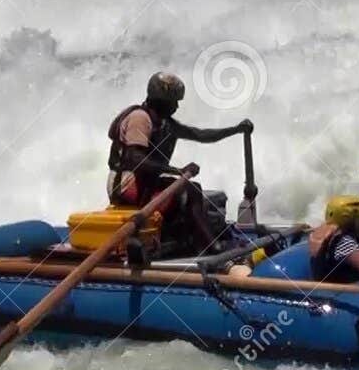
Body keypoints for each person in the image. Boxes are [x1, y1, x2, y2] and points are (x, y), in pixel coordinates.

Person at [106, 71, 252, 252]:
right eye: (173, 102)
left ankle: (190, 241)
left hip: (144, 182)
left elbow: (200, 134)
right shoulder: (140, 118)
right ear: (160, 100)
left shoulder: (165, 123)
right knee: (190, 191)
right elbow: (135, 158)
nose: (176, 106)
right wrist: (177, 171)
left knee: (194, 190)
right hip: (125, 184)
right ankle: (210, 246)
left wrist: (236, 129)